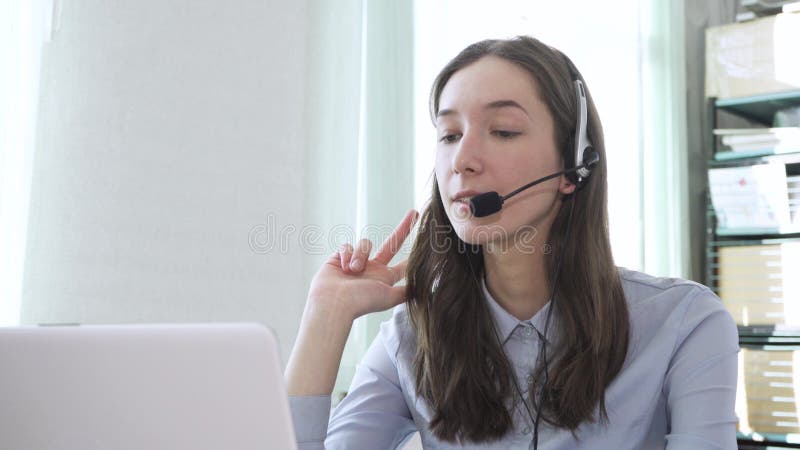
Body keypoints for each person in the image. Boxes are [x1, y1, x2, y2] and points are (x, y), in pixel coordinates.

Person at [284, 36, 739, 450]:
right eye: (449, 135)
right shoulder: (410, 339)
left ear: (573, 166)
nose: (461, 160)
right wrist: (325, 315)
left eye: (502, 130)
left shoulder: (684, 325)